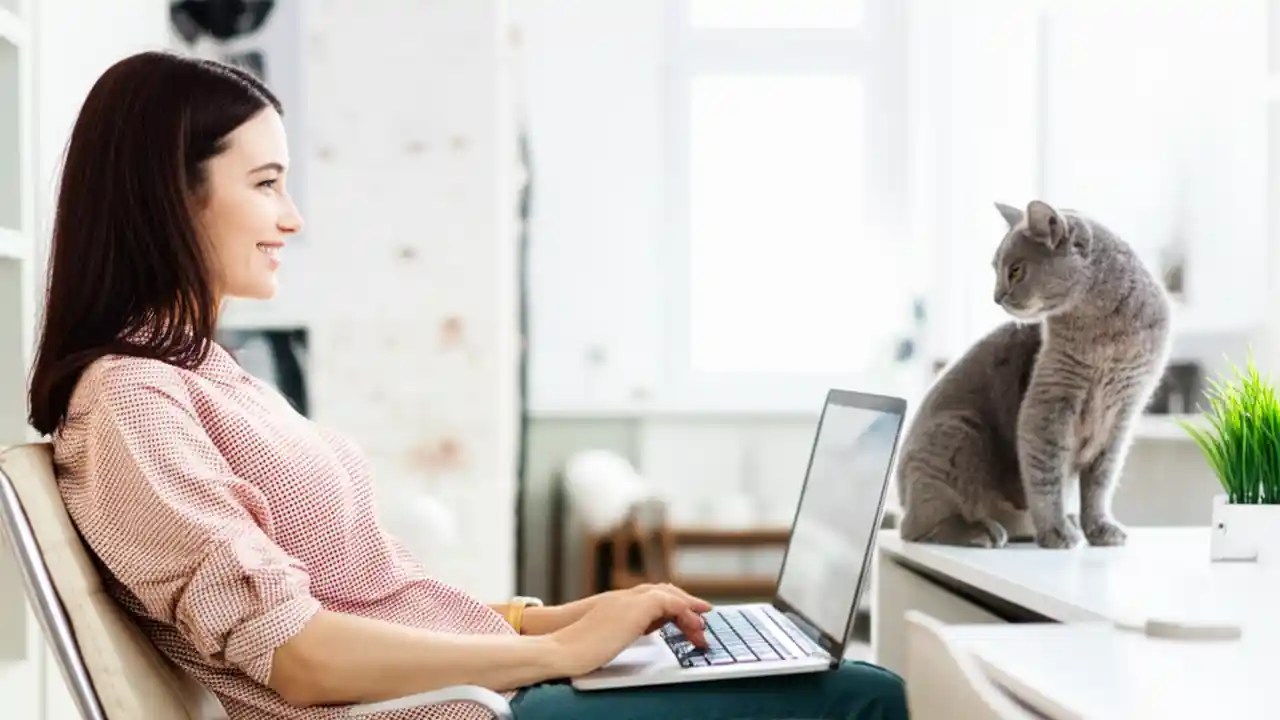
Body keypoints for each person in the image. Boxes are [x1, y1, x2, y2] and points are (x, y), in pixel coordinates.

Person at [27, 51, 908, 720]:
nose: (292, 217)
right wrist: (553, 653)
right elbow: (297, 657)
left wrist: (546, 619)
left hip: (478, 683)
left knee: (821, 675)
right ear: (170, 201)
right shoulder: (131, 403)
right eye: (266, 185)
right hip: (461, 710)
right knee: (860, 694)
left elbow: (356, 595)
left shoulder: (203, 373)